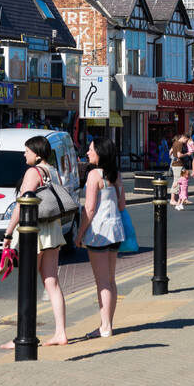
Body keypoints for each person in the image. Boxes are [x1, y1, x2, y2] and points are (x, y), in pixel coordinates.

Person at [2, 136, 68, 348]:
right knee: (52, 282)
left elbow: (22, 205)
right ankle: (60, 333)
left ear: (37, 153)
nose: (24, 154)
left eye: (27, 151)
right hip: (53, 229)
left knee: (27, 282)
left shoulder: (33, 172)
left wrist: (8, 232)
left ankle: (24, 335)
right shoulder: (53, 171)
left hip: (35, 231)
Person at [76, 135, 127, 338]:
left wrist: (79, 235)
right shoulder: (116, 175)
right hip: (115, 230)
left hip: (98, 233)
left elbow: (89, 208)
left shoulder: (94, 176)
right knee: (111, 280)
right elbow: (122, 206)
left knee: (102, 282)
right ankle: (108, 323)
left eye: (91, 149)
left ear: (100, 152)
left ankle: (105, 327)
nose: (88, 152)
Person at [169, 136, 189, 208]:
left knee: (184, 180)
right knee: (177, 181)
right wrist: (187, 154)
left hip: (179, 164)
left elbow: (170, 152)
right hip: (178, 165)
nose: (186, 142)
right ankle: (172, 199)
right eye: (186, 140)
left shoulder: (175, 143)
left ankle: (183, 198)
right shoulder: (180, 144)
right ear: (184, 138)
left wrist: (173, 158)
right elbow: (179, 155)